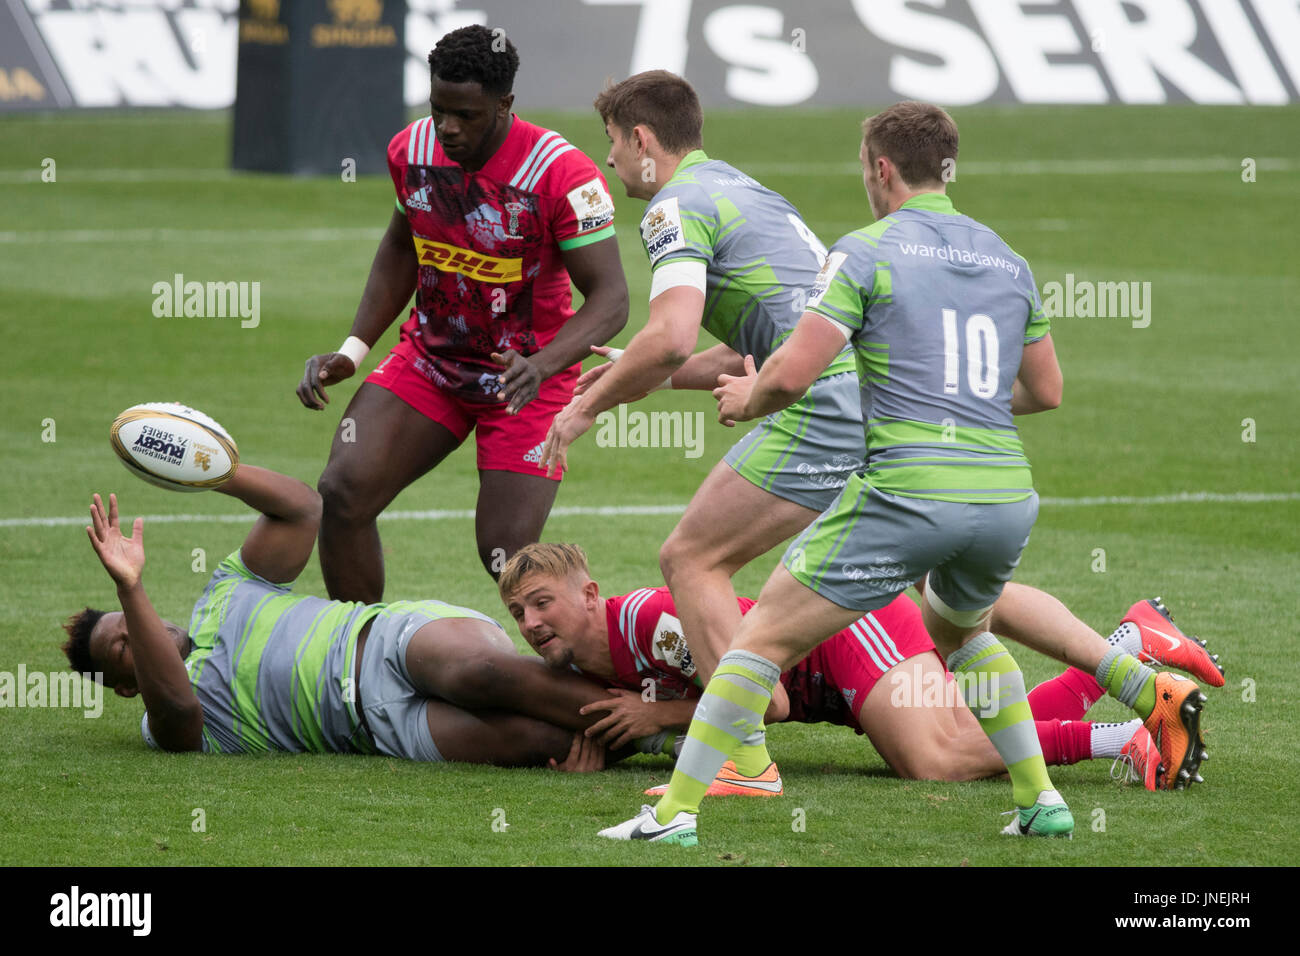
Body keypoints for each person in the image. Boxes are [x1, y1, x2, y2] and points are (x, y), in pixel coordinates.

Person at [537, 72, 1221, 808]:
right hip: (902, 427)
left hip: (825, 406)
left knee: (693, 558)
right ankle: (1135, 674)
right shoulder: (746, 191)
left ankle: (742, 758)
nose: (608, 162)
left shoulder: (678, 207)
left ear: (642, 140)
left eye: (610, 142)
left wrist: (589, 408)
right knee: (948, 600)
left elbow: (679, 338)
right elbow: (756, 338)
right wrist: (651, 379)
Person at [295, 25, 628, 597]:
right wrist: (354, 348)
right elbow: (402, 245)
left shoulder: (563, 175)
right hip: (432, 360)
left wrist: (543, 365)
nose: (447, 127)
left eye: (465, 115)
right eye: (438, 108)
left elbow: (612, 299)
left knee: (507, 558)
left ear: (504, 104)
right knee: (344, 491)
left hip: (525, 378)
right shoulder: (411, 150)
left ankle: (596, 660)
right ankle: (360, 665)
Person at [498, 542, 1213, 793]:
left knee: (936, 762)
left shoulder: (650, 623)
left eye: (541, 605)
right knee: (980, 741)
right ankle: (1128, 642)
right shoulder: (596, 665)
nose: (531, 625)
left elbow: (768, 703)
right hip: (840, 673)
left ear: (589, 595)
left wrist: (659, 716)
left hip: (849, 638)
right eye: (519, 615)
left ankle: (1135, 740)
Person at [62, 463, 638, 769]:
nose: (142, 631)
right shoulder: (170, 723)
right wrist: (129, 588)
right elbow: (179, 705)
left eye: (130, 620)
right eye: (124, 646)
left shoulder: (223, 592)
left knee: (480, 675)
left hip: (386, 640)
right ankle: (664, 734)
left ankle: (673, 722)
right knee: (539, 742)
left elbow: (302, 510)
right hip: (377, 726)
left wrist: (216, 470)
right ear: (124, 687)